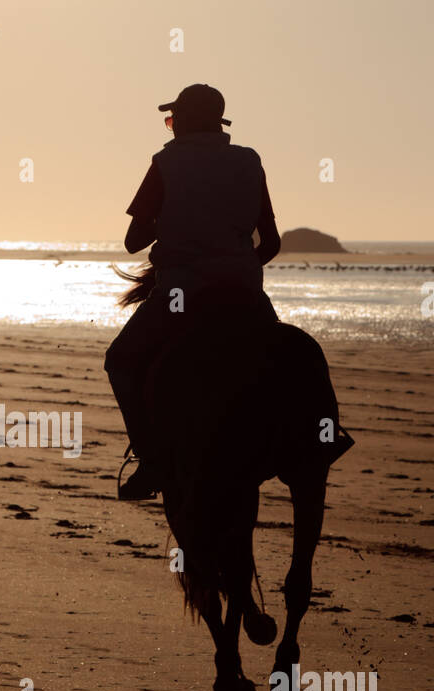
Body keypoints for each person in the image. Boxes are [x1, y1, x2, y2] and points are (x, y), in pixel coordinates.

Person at [106, 84, 281, 500]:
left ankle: (150, 461)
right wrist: (232, 267)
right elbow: (270, 243)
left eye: (172, 121)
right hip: (243, 293)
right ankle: (308, 438)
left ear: (183, 121)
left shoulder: (165, 163)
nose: (170, 128)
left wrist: (172, 221)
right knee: (280, 362)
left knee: (120, 361)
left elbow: (133, 241)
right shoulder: (249, 161)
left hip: (180, 296)